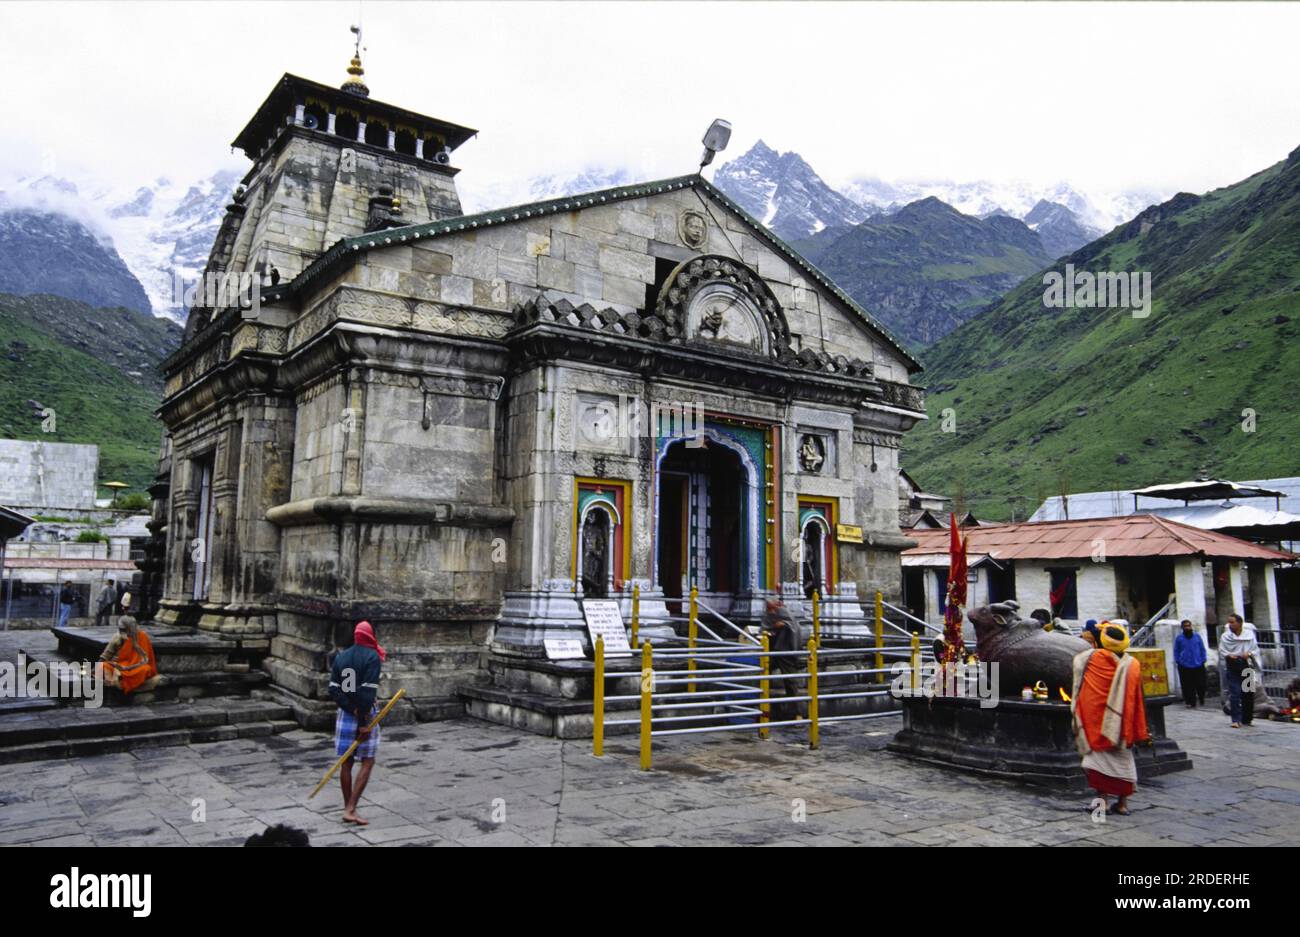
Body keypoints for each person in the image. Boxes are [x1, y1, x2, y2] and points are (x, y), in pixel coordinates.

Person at [1070, 622, 1151, 817]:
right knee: (1124, 762)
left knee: (1098, 767)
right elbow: (1138, 696)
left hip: (1096, 722)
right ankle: (1122, 805)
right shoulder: (1133, 664)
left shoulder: (1089, 658)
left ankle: (1103, 803)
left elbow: (1077, 676)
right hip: (1123, 723)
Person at [328, 621, 385, 825]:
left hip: (346, 714)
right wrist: (362, 720)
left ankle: (348, 808)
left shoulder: (342, 656)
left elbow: (338, 689)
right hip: (364, 715)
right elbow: (366, 694)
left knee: (347, 761)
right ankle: (351, 807)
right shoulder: (372, 657)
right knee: (367, 760)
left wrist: (350, 709)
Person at [98, 593, 159, 694]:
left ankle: (121, 680)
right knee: (103, 666)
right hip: (118, 666)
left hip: (134, 668)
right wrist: (98, 664)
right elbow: (106, 654)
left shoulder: (142, 636)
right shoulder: (118, 636)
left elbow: (147, 660)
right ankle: (119, 677)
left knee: (146, 669)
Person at [760, 599, 806, 722]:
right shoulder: (769, 615)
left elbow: (793, 628)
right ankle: (763, 709)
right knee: (763, 675)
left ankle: (797, 713)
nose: (770, 610)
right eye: (768, 608)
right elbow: (765, 628)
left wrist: (783, 625)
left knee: (790, 682)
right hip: (773, 651)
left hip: (785, 651)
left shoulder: (783, 613)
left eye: (771, 608)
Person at [1219, 613, 1259, 728]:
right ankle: (1235, 719)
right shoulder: (1226, 636)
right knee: (1235, 693)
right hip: (1232, 666)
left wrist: (1249, 653)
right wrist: (1229, 655)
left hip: (1247, 665)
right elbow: (1222, 650)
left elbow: (1255, 649)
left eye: (1232, 622)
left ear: (1239, 623)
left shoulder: (1249, 635)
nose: (1230, 624)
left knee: (1248, 693)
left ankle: (1247, 719)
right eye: (1229, 622)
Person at [1173, 619, 1208, 708]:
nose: (1188, 628)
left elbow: (1202, 648)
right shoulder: (1179, 638)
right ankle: (1190, 702)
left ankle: (1201, 699)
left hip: (1198, 664)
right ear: (1182, 628)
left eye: (1189, 626)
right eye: (1185, 626)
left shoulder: (1197, 637)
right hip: (1184, 665)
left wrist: (1203, 659)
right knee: (1187, 685)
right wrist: (1178, 661)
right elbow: (1176, 650)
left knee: (1201, 684)